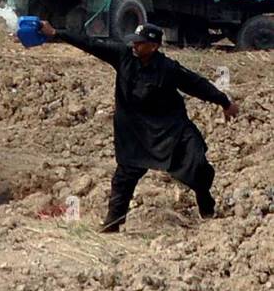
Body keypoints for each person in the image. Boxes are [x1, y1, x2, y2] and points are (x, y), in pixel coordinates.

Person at [35, 19, 238, 231]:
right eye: (134, 41)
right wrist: (56, 32)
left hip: (170, 130)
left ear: (154, 46)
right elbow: (90, 43)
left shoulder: (168, 68)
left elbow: (196, 84)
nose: (134, 45)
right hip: (134, 132)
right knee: (124, 177)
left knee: (197, 164)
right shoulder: (122, 56)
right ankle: (112, 224)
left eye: (140, 43)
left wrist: (224, 101)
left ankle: (207, 207)